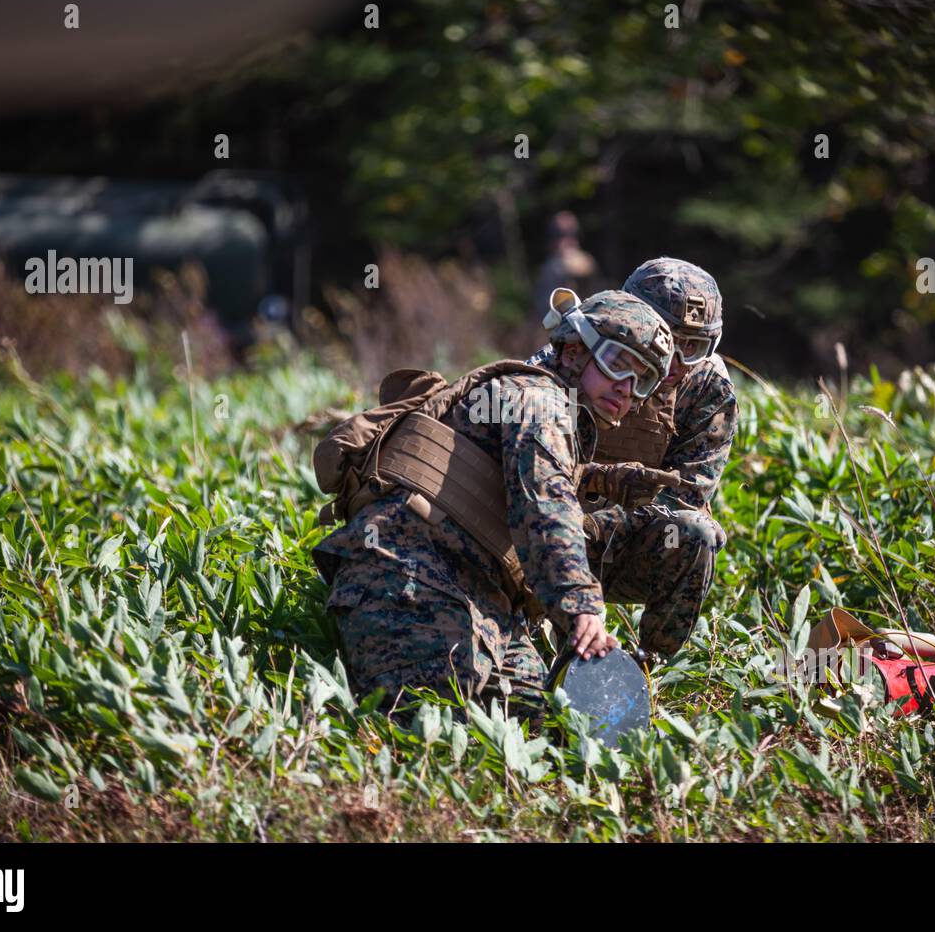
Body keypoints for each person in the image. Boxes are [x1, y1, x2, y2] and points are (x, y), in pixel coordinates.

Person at [312, 289, 675, 720]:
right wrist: (582, 606)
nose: (628, 388)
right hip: (405, 580)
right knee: (445, 729)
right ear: (575, 350)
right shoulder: (540, 398)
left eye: (644, 379)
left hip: (476, 596)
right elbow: (544, 504)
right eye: (618, 363)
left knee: (538, 727)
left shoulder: (549, 406)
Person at [529, 257, 739, 661]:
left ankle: (648, 664)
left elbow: (686, 497)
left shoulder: (708, 389)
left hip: (624, 538)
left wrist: (597, 525)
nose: (675, 361)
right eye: (665, 339)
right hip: (542, 532)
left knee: (696, 533)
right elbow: (524, 481)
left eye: (692, 347)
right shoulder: (576, 353)